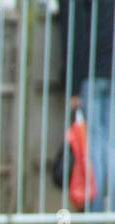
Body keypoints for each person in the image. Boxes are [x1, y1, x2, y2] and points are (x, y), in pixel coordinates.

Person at [61, 0, 115, 211]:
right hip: (111, 70)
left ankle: (96, 215)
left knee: (92, 146)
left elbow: (74, 34)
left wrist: (73, 85)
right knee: (109, 145)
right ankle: (110, 215)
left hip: (90, 74)